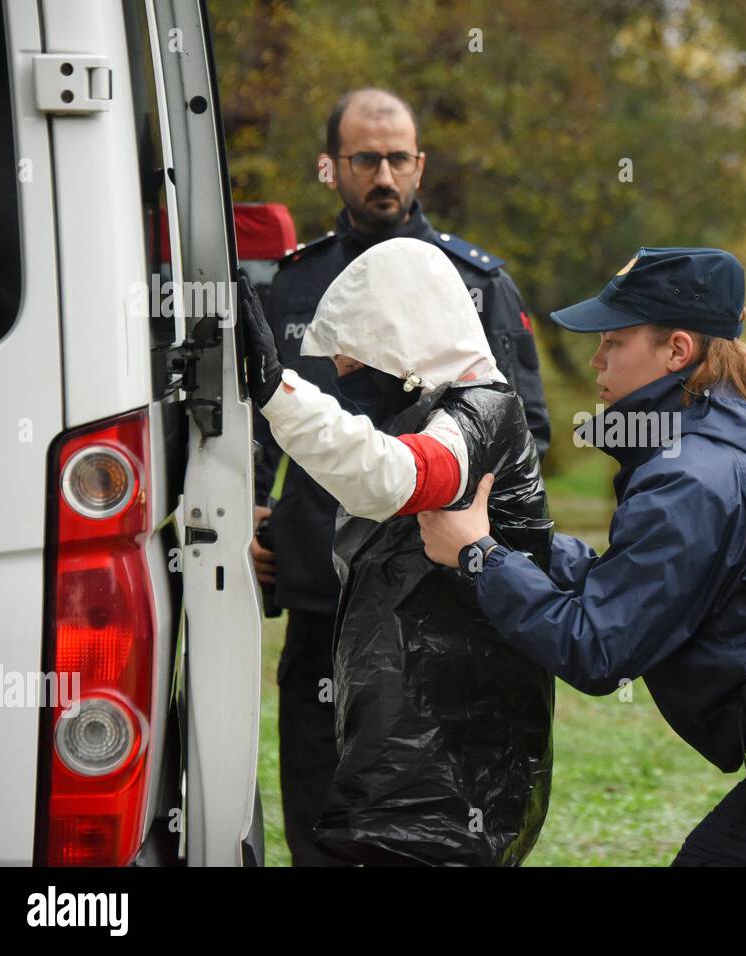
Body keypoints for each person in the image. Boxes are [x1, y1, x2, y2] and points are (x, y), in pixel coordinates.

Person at [418, 247, 746, 866]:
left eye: (613, 341)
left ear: (677, 350)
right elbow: (657, 584)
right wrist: (527, 542)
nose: (596, 359)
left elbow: (598, 648)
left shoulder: (687, 478)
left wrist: (479, 558)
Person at [250, 87, 550, 865]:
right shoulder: (300, 276)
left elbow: (394, 477)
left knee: (421, 823)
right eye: (363, 157)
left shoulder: (477, 400)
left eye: (398, 157)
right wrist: (257, 512)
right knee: (339, 806)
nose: (383, 173)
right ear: (332, 166)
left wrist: (276, 390)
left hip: (442, 625)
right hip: (339, 593)